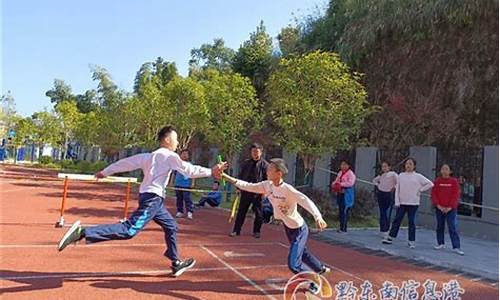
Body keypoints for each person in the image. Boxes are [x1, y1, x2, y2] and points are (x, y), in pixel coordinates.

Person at [57, 125, 227, 277]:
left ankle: (175, 263)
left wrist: (106, 171)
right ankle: (83, 232)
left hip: (153, 199)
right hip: (152, 199)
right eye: (175, 139)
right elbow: (188, 169)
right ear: (167, 140)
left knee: (171, 226)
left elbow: (126, 163)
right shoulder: (170, 156)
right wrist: (211, 171)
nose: (177, 143)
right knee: (129, 231)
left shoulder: (148, 156)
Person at [222, 158, 330, 295]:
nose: (267, 170)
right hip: (288, 227)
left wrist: (318, 217)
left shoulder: (288, 189)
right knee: (302, 253)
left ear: (279, 173)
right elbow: (247, 185)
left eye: (270, 168)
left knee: (293, 264)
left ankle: (313, 281)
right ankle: (319, 268)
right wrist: (225, 176)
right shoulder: (267, 185)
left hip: (299, 229)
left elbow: (305, 200)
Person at [382, 158, 434, 248]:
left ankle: (411, 240)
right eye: (407, 164)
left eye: (410, 164)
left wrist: (420, 190)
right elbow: (397, 189)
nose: (408, 165)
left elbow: (430, 184)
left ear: (414, 166)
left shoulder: (418, 176)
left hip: (413, 203)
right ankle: (391, 237)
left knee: (411, 222)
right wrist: (397, 201)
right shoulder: (401, 176)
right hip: (402, 202)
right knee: (397, 220)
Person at [230, 143, 269, 238]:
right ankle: (236, 230)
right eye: (253, 152)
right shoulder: (246, 163)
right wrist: (238, 188)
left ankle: (257, 231)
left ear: (261, 152)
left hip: (258, 192)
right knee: (241, 212)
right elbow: (241, 176)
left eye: (257, 151)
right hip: (246, 191)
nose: (255, 153)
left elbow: (267, 179)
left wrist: (264, 192)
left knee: (259, 213)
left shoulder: (265, 165)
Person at [431, 164, 464, 255]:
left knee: (452, 227)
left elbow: (455, 195)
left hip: (451, 209)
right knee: (440, 226)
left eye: (446, 169)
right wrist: (438, 205)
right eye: (443, 169)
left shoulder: (454, 182)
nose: (444, 171)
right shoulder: (437, 181)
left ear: (450, 171)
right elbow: (434, 194)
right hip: (439, 208)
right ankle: (440, 243)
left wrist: (450, 207)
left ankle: (456, 246)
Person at [372, 161, 398, 236]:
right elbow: (374, 180)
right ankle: (382, 228)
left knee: (387, 212)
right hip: (381, 193)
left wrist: (394, 187)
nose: (384, 168)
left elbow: (398, 182)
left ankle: (386, 228)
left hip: (388, 194)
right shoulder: (381, 175)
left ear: (389, 167)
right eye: (383, 166)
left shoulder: (393, 174)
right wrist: (378, 185)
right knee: (382, 211)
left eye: (385, 166)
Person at [331, 160, 356, 233]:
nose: (343, 166)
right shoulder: (340, 172)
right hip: (340, 192)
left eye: (345, 165)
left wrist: (341, 184)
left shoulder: (351, 174)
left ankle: (344, 228)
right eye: (342, 165)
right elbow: (337, 180)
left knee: (345, 210)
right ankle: (341, 226)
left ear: (348, 165)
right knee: (340, 210)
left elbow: (350, 183)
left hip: (347, 194)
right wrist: (334, 184)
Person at [173, 149, 195, 219]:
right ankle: (180, 211)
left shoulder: (190, 165)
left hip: (186, 185)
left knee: (187, 198)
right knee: (179, 198)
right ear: (180, 155)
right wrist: (171, 182)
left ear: (188, 156)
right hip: (177, 184)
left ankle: (190, 212)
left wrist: (193, 183)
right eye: (183, 153)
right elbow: (173, 174)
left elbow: (193, 175)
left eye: (186, 154)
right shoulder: (177, 164)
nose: (185, 155)